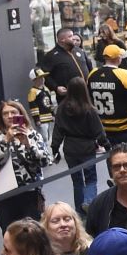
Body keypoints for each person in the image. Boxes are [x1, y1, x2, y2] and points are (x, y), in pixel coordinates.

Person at [0, 99, 50, 230]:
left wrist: (28, 144)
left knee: (31, 231)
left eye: (13, 112)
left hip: (29, 191)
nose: (9, 116)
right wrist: (6, 140)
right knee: (8, 229)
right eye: (5, 113)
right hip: (4, 192)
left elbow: (44, 160)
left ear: (21, 114)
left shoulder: (32, 135)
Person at [52, 79, 107, 212]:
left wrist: (55, 148)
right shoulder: (89, 109)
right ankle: (89, 203)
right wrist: (106, 145)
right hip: (87, 147)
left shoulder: (62, 108)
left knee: (77, 182)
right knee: (91, 178)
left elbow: (58, 130)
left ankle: (79, 210)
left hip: (70, 147)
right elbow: (98, 131)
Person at [87, 144, 127, 236]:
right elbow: (91, 241)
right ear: (111, 171)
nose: (122, 170)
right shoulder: (99, 204)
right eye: (116, 167)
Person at [88, 44, 127, 147]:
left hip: (103, 128)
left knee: (113, 160)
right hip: (125, 129)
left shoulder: (92, 74)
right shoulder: (123, 74)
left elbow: (89, 100)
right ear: (119, 58)